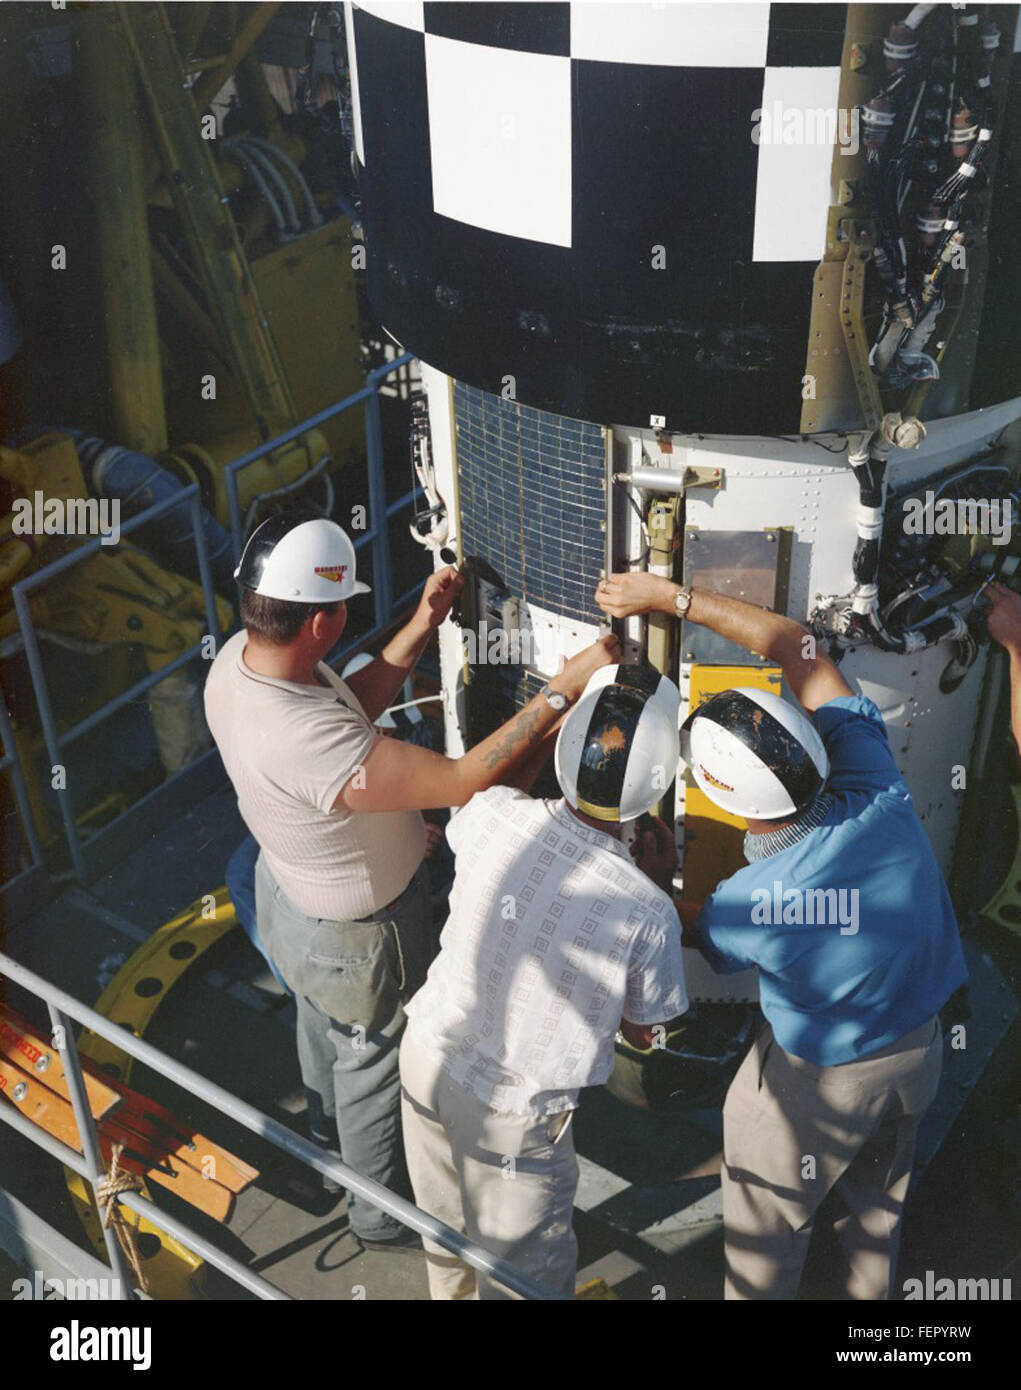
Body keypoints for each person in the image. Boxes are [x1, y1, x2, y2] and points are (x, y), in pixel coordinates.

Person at [203, 507, 618, 1250]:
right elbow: (460, 779)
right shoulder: (303, 738)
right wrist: (571, 682)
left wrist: (420, 626)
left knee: (320, 1025)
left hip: (292, 904)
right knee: (370, 1056)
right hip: (359, 939)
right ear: (322, 625)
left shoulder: (242, 658)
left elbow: (345, 709)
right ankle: (373, 1215)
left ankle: (322, 1139)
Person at [595, 571, 967, 1300]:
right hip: (917, 1055)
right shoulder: (874, 785)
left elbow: (697, 929)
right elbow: (801, 653)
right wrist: (671, 598)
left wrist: (650, 881)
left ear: (717, 796)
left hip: (816, 1089)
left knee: (764, 1247)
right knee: (873, 1220)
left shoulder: (751, 900)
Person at [399, 663, 689, 1298]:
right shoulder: (647, 910)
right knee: (522, 1283)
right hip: (515, 1114)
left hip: (425, 1052)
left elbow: (492, 800)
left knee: (441, 1234)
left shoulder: (493, 814)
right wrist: (658, 882)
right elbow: (646, 1028)